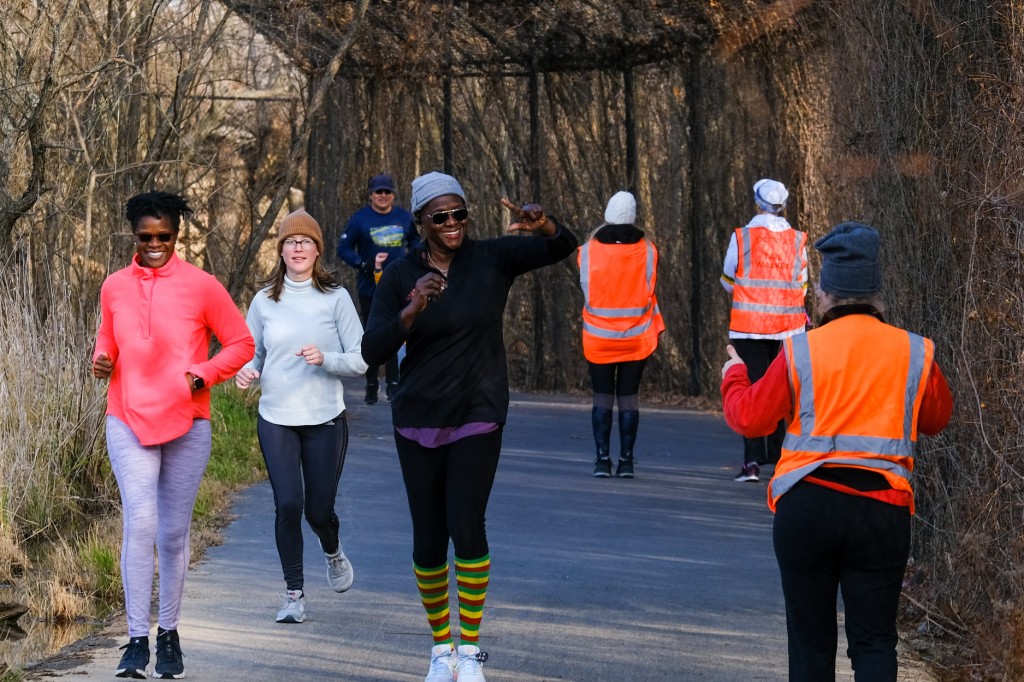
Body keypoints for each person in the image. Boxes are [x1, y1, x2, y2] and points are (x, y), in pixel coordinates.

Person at [362, 171, 578, 682]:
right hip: (417, 417)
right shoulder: (398, 276)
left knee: (467, 525)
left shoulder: (492, 258)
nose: (454, 224)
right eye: (441, 217)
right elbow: (372, 351)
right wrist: (412, 310)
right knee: (429, 538)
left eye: (460, 213)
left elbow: (564, 247)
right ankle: (441, 651)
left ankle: (470, 651)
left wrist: (544, 224)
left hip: (479, 414)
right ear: (421, 223)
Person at [720, 222, 953, 681]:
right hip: (881, 513)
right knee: (874, 642)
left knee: (811, 647)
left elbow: (749, 418)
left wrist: (735, 373)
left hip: (807, 510)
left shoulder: (801, 350)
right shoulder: (915, 352)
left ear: (824, 293)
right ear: (877, 293)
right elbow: (936, 419)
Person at [92, 191, 255, 679]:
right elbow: (108, 336)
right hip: (127, 416)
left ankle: (169, 634)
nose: (156, 244)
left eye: (165, 236)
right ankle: (136, 640)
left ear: (177, 235)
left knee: (172, 532)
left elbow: (241, 343)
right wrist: (102, 359)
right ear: (133, 237)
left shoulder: (202, 286)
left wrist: (200, 375)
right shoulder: (114, 285)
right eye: (146, 237)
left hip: (187, 425)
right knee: (140, 523)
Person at [235, 209, 368, 624]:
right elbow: (251, 351)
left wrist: (326, 359)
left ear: (317, 250)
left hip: (325, 417)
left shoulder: (336, 298)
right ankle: (294, 595)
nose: (297, 247)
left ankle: (333, 551)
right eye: (290, 241)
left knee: (318, 511)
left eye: (305, 241)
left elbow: (361, 359)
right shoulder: (264, 300)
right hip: (276, 416)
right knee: (288, 504)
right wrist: (246, 370)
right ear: (280, 250)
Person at [720, 178, 808, 483]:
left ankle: (752, 463)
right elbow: (804, 285)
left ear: (757, 204)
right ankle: (783, 458)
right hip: (789, 330)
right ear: (782, 207)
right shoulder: (797, 240)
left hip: (749, 328)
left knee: (750, 391)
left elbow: (727, 280)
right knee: (785, 393)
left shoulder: (743, 237)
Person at [577, 191, 665, 478]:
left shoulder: (587, 251)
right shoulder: (649, 250)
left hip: (598, 335)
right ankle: (626, 460)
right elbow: (650, 288)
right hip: (637, 335)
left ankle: (602, 459)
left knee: (602, 396)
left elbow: (587, 288)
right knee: (629, 396)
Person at [336, 173, 419, 405]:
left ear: (393, 194)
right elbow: (343, 247)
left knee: (397, 332)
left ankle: (393, 385)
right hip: (369, 287)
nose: (383, 196)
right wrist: (363, 264)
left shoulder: (404, 218)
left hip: (400, 286)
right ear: (371, 195)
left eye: (387, 192)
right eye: (378, 192)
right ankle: (371, 383)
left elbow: (417, 243)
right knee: (372, 335)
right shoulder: (360, 219)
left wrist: (410, 258)